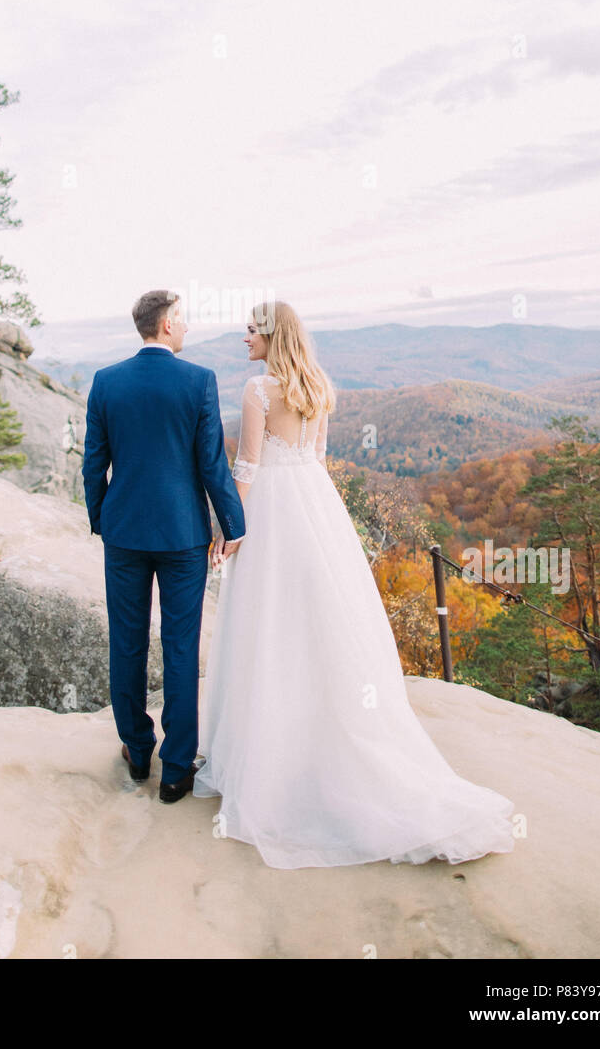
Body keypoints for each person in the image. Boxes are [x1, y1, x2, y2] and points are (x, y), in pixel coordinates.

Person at [194, 299, 516, 868]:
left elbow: (246, 467)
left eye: (250, 329)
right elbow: (315, 458)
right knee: (321, 622)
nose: (243, 337)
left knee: (266, 624)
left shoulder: (257, 389)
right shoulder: (319, 386)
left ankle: (270, 751)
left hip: (271, 510)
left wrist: (231, 530)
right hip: (315, 510)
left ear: (272, 335)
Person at [82, 289, 245, 803]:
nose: (189, 328)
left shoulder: (106, 382)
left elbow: (93, 463)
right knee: (180, 646)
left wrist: (101, 518)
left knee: (126, 642)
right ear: (169, 324)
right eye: (185, 320)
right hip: (182, 536)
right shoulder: (198, 381)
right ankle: (176, 770)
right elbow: (212, 463)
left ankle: (136, 748)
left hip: (125, 533)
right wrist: (232, 524)